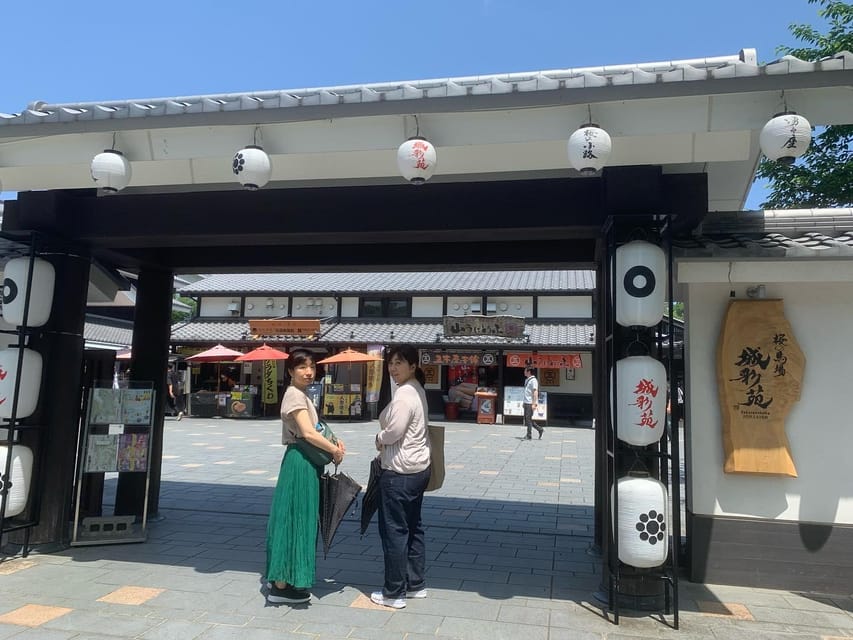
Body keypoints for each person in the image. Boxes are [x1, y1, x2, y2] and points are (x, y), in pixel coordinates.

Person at [266, 349, 345, 605]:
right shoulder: (295, 396)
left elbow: (314, 431)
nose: (308, 372)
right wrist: (333, 450)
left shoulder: (300, 394)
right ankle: (283, 584)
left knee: (292, 517)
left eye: (311, 366)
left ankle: (281, 579)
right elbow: (309, 434)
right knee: (298, 519)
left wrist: (332, 441)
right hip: (300, 463)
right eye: (301, 367)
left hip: (300, 461)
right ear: (290, 371)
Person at [371, 344, 431, 609]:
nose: (393, 368)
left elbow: (394, 430)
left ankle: (393, 593)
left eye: (399, 362)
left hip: (399, 472)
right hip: (419, 470)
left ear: (412, 365)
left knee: (394, 531)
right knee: (413, 526)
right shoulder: (417, 389)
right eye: (390, 363)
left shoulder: (405, 393)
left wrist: (379, 438)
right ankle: (415, 583)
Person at [522, 366, 543, 440]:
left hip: (530, 403)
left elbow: (535, 392)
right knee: (528, 419)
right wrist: (524, 402)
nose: (524, 372)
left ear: (529, 372)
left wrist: (534, 404)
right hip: (526, 402)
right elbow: (526, 392)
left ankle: (529, 435)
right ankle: (540, 429)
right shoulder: (527, 380)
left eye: (525, 371)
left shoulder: (534, 380)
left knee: (528, 419)